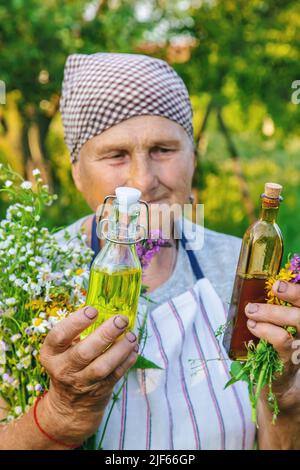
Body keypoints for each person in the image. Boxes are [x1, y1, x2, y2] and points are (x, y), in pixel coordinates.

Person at [1, 53, 300, 450]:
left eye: (163, 149)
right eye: (115, 154)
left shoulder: (242, 270)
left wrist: (285, 396)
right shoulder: (25, 279)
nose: (143, 181)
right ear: (76, 170)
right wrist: (59, 415)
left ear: (194, 157)